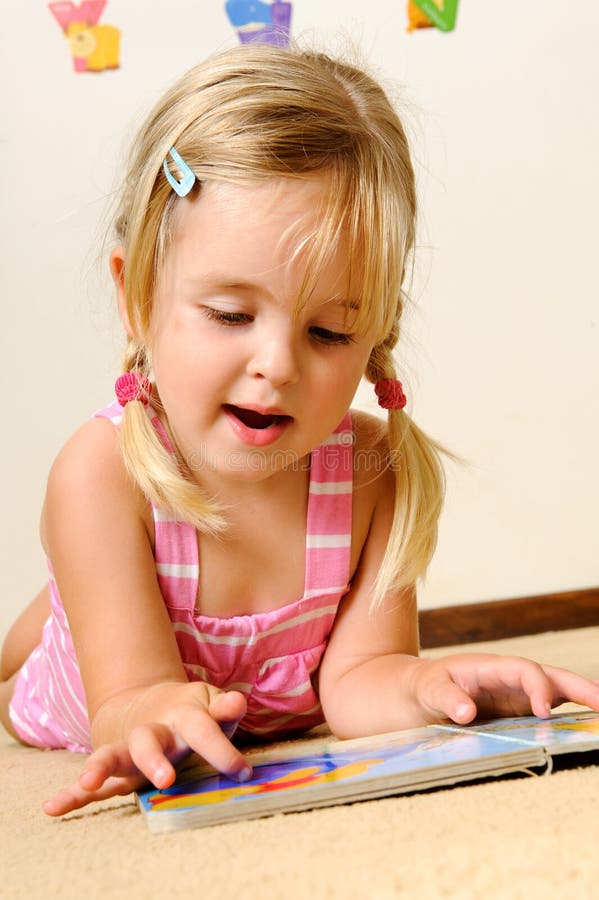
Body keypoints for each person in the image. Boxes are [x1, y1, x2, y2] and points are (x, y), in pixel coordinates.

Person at [1, 43, 597, 818]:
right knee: (26, 669)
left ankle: (66, 598)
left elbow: (358, 683)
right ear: (137, 297)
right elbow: (129, 697)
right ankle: (52, 619)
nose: (276, 365)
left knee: (83, 589)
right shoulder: (99, 472)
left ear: (376, 330)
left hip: (175, 598)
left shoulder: (370, 470)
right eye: (229, 315)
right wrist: (145, 712)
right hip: (81, 672)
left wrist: (433, 689)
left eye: (328, 333)